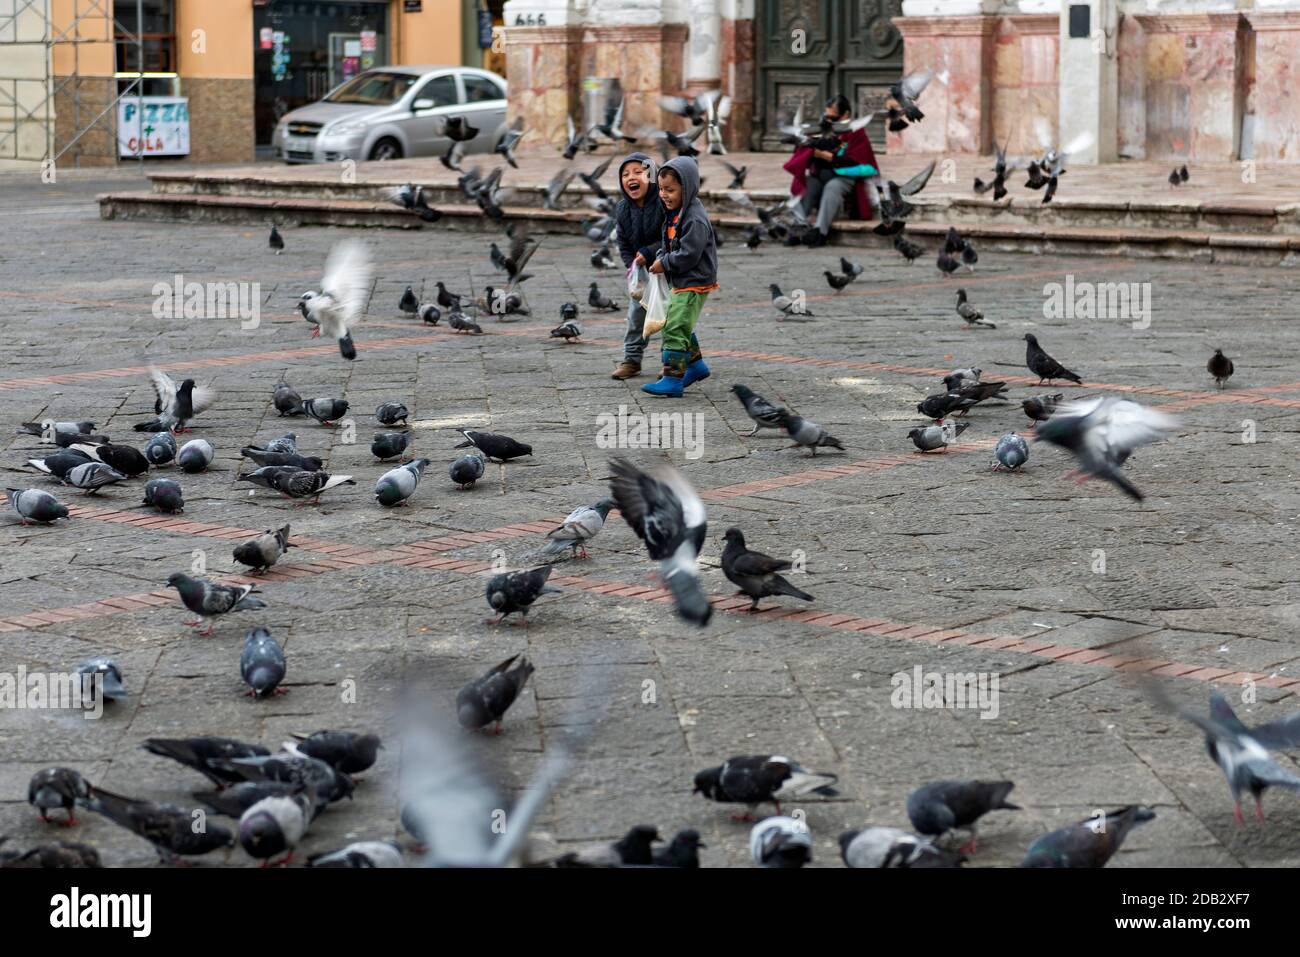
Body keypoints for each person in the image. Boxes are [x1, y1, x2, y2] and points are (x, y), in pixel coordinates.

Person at [643, 156, 715, 398]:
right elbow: (670, 242)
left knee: (674, 326)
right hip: (683, 279)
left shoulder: (694, 218)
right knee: (680, 322)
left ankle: (673, 379)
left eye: (670, 190)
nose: (664, 194)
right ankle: (695, 366)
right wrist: (662, 254)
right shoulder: (675, 212)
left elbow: (689, 254)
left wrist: (665, 263)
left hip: (694, 280)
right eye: (661, 189)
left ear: (688, 187)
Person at [783, 94, 880, 247]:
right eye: (826, 115)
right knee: (804, 187)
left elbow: (862, 163)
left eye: (833, 117)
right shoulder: (821, 127)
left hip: (844, 175)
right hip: (820, 173)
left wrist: (827, 156)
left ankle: (820, 232)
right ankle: (798, 228)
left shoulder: (857, 132)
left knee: (832, 187)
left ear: (846, 114)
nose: (828, 119)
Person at [611, 152, 665, 380]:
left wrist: (647, 252)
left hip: (667, 267)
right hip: (642, 273)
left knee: (671, 317)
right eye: (625, 174)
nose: (630, 177)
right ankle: (632, 360)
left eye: (638, 172)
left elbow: (670, 236)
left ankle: (675, 360)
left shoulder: (664, 202)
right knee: (636, 318)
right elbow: (622, 241)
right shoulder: (623, 209)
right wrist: (631, 266)